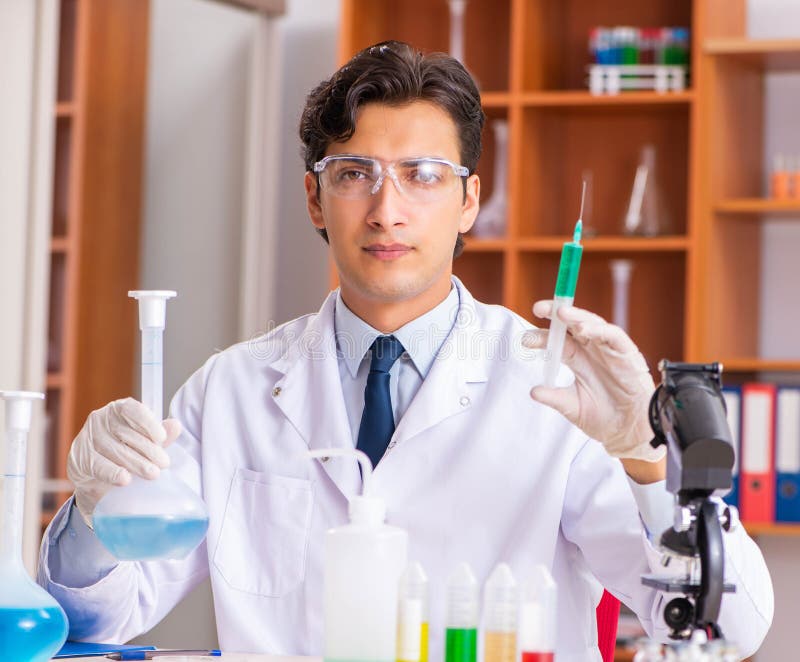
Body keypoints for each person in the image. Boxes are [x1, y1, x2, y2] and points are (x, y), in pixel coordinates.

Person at [38, 41, 772, 660]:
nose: (387, 209)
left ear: (469, 201)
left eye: (423, 175)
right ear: (315, 200)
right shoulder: (229, 390)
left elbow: (729, 629)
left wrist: (644, 458)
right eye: (355, 174)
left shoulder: (554, 389)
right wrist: (96, 512)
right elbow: (103, 620)